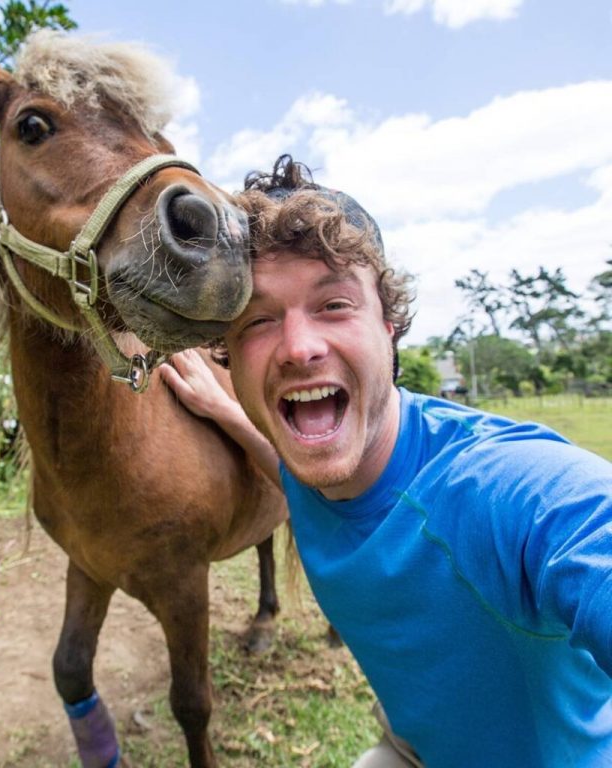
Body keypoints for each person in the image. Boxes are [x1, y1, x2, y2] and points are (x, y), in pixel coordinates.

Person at [159, 154, 612, 768]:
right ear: (230, 359)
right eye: (259, 321)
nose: (297, 348)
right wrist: (222, 410)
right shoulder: (309, 468)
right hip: (411, 749)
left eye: (334, 305)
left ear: (390, 328)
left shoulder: (507, 489)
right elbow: (279, 460)